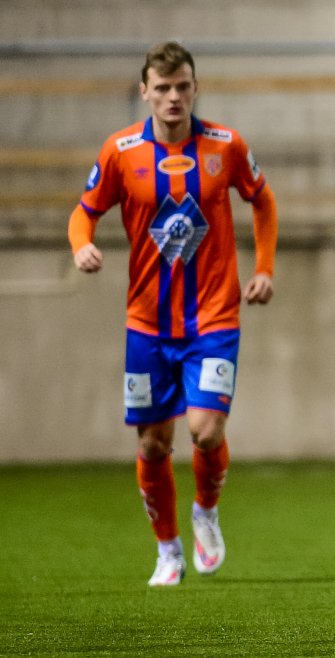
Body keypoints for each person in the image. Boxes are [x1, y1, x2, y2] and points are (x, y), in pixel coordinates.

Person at [68, 41, 278, 587]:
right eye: (162, 88)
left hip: (214, 318)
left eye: (182, 85)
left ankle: (205, 511)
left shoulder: (226, 145)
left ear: (194, 87)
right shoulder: (120, 151)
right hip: (147, 325)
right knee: (153, 444)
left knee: (205, 432)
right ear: (145, 91)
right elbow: (83, 212)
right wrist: (80, 245)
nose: (173, 96)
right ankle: (168, 551)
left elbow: (263, 199)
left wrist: (266, 268)